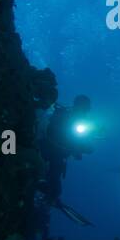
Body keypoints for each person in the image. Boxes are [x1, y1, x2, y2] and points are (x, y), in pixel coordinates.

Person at [37, 95, 94, 228]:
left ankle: (44, 199)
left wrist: (81, 147)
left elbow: (84, 146)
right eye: (84, 108)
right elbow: (52, 134)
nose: (85, 111)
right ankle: (43, 196)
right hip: (48, 152)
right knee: (53, 186)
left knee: (53, 186)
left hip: (57, 157)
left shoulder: (81, 123)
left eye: (86, 109)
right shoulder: (64, 115)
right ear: (77, 106)